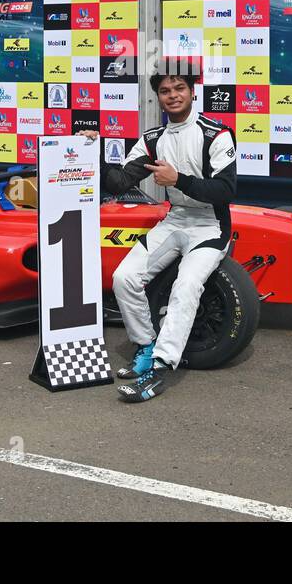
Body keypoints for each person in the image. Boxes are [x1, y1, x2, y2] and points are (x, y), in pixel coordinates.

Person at [86, 71, 237, 403]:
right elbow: (119, 183)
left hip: (211, 226)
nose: (172, 95)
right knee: (124, 277)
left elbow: (226, 191)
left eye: (179, 88)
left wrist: (178, 179)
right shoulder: (153, 138)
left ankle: (158, 368)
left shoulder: (217, 134)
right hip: (175, 221)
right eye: (165, 91)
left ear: (192, 92)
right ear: (159, 98)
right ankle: (145, 346)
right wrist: (93, 154)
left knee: (185, 286)